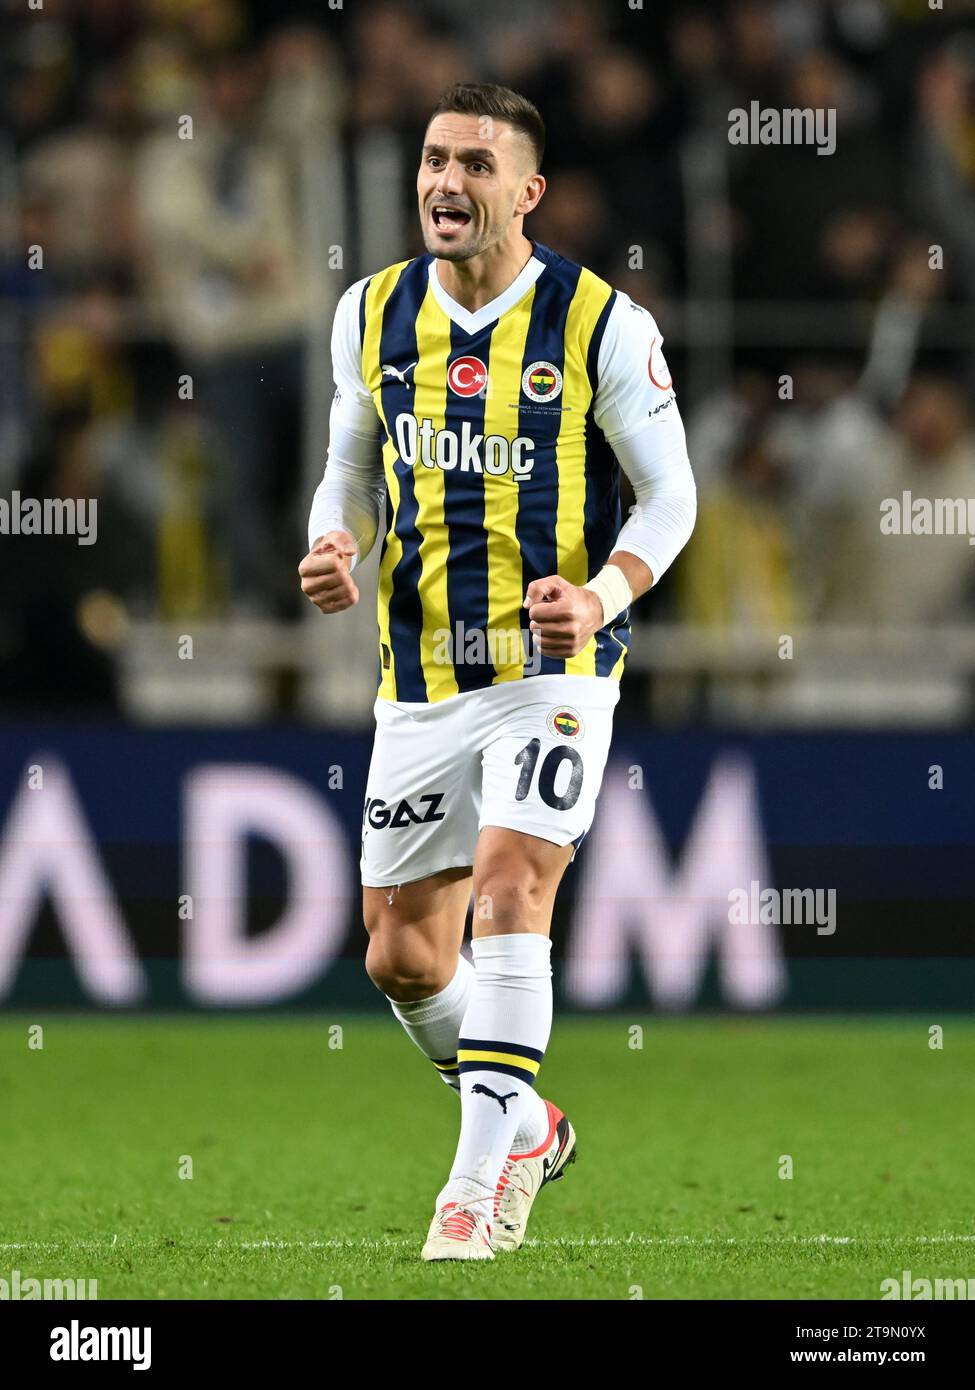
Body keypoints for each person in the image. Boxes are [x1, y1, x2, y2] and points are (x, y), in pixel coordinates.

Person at [299, 83, 696, 1261]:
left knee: (514, 889)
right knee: (402, 954)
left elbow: (673, 498)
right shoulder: (369, 315)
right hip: (419, 674)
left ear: (527, 193)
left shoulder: (601, 325)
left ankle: (472, 1196)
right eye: (433, 159)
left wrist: (602, 595)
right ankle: (526, 1122)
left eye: (475, 164)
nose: (444, 182)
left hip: (553, 666)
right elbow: (350, 467)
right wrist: (336, 544)